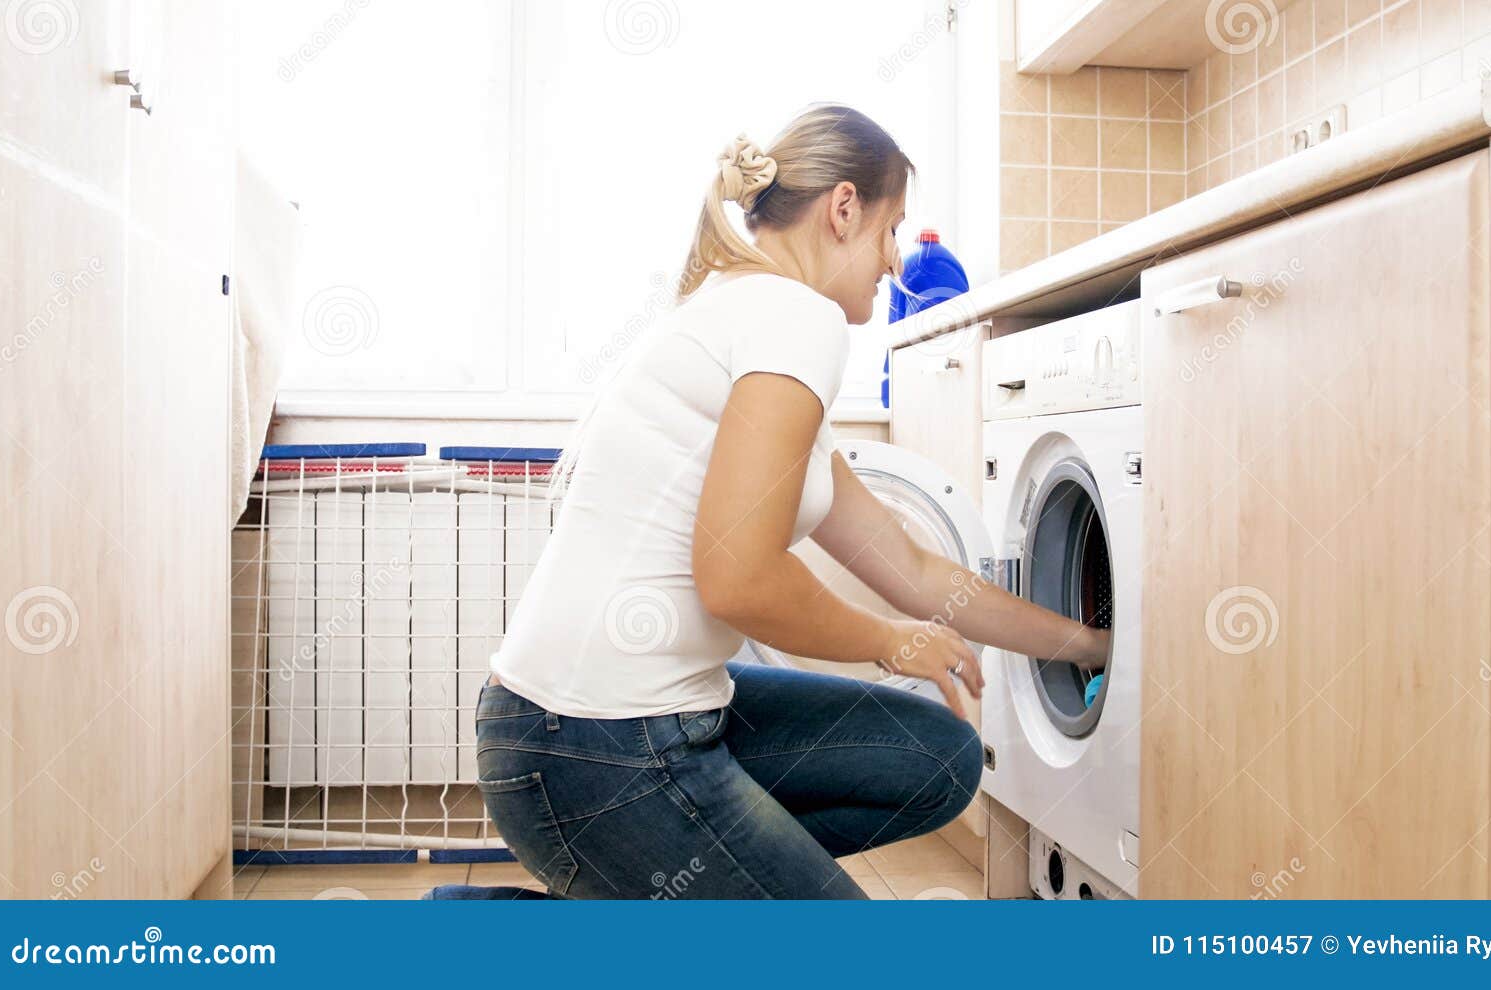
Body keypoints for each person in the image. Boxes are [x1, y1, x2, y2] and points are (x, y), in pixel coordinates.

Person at [475, 105, 1109, 899]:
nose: (893, 262)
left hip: (591, 727)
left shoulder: (750, 313)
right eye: (890, 230)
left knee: (935, 761)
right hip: (594, 748)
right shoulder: (794, 319)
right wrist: (891, 642)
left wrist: (1085, 644)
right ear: (843, 209)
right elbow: (739, 580)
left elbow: (908, 563)